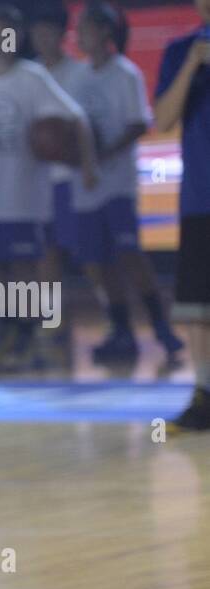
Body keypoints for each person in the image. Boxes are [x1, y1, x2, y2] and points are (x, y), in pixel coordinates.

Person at [0, 4, 96, 372]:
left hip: (24, 196)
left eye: (7, 34)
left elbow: (76, 117)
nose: (0, 42)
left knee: (23, 267)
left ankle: (28, 335)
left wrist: (86, 163)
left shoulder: (32, 78)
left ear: (16, 39)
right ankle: (13, 329)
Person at [69, 2, 183, 366]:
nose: (78, 35)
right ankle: (121, 331)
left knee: (130, 255)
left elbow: (138, 124)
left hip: (117, 184)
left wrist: (101, 153)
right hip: (84, 186)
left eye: (85, 27)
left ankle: (162, 327)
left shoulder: (125, 74)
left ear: (104, 32)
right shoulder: (76, 76)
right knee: (97, 263)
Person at [158, 0, 210, 429]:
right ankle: (204, 394)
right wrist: (194, 62)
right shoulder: (180, 51)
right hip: (200, 198)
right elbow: (163, 118)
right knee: (197, 306)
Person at [29, 0, 90, 337]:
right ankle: (53, 322)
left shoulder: (79, 73)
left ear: (62, 34)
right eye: (36, 32)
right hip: (39, 181)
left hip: (74, 179)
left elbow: (86, 123)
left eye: (48, 31)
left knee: (92, 258)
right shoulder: (29, 74)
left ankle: (117, 317)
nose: (42, 38)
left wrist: (84, 159)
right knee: (46, 254)